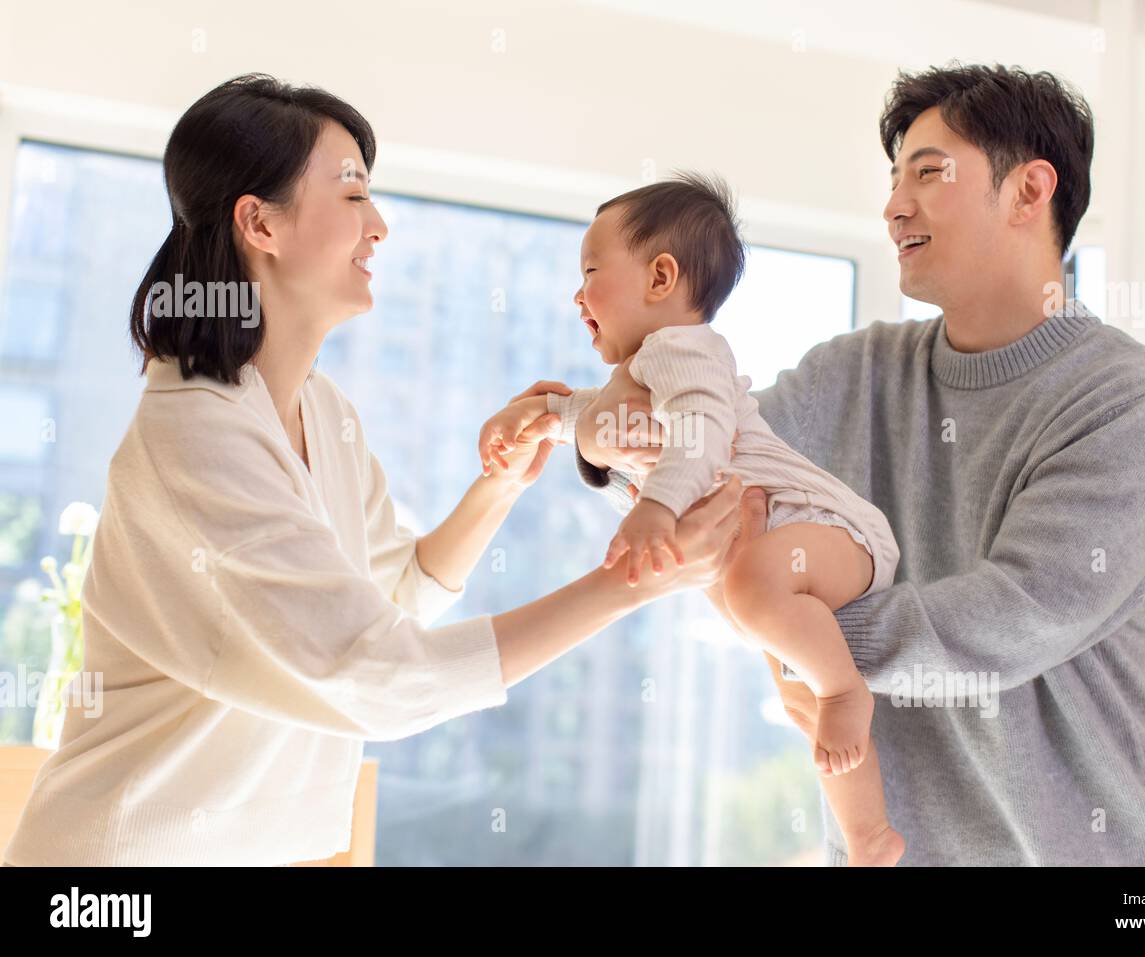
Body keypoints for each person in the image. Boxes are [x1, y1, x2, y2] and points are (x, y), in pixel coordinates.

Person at [1, 74, 743, 867]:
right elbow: (375, 674)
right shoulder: (194, 433)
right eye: (352, 193)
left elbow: (396, 594)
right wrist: (636, 579)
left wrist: (502, 483)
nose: (379, 224)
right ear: (261, 223)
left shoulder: (324, 412)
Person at [569, 64, 1145, 866]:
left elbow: (1013, 618)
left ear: (1029, 192)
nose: (894, 205)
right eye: (894, 178)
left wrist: (802, 633)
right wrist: (589, 436)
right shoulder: (855, 372)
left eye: (929, 173)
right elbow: (706, 460)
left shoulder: (1128, 400)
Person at [479, 173, 904, 865]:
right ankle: (869, 837)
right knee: (794, 695)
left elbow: (699, 434)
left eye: (590, 272)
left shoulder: (683, 350)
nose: (576, 295)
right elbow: (586, 418)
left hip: (828, 529)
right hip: (784, 551)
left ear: (661, 276)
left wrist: (655, 506)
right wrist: (532, 418)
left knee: (771, 618)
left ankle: (847, 688)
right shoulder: (642, 373)